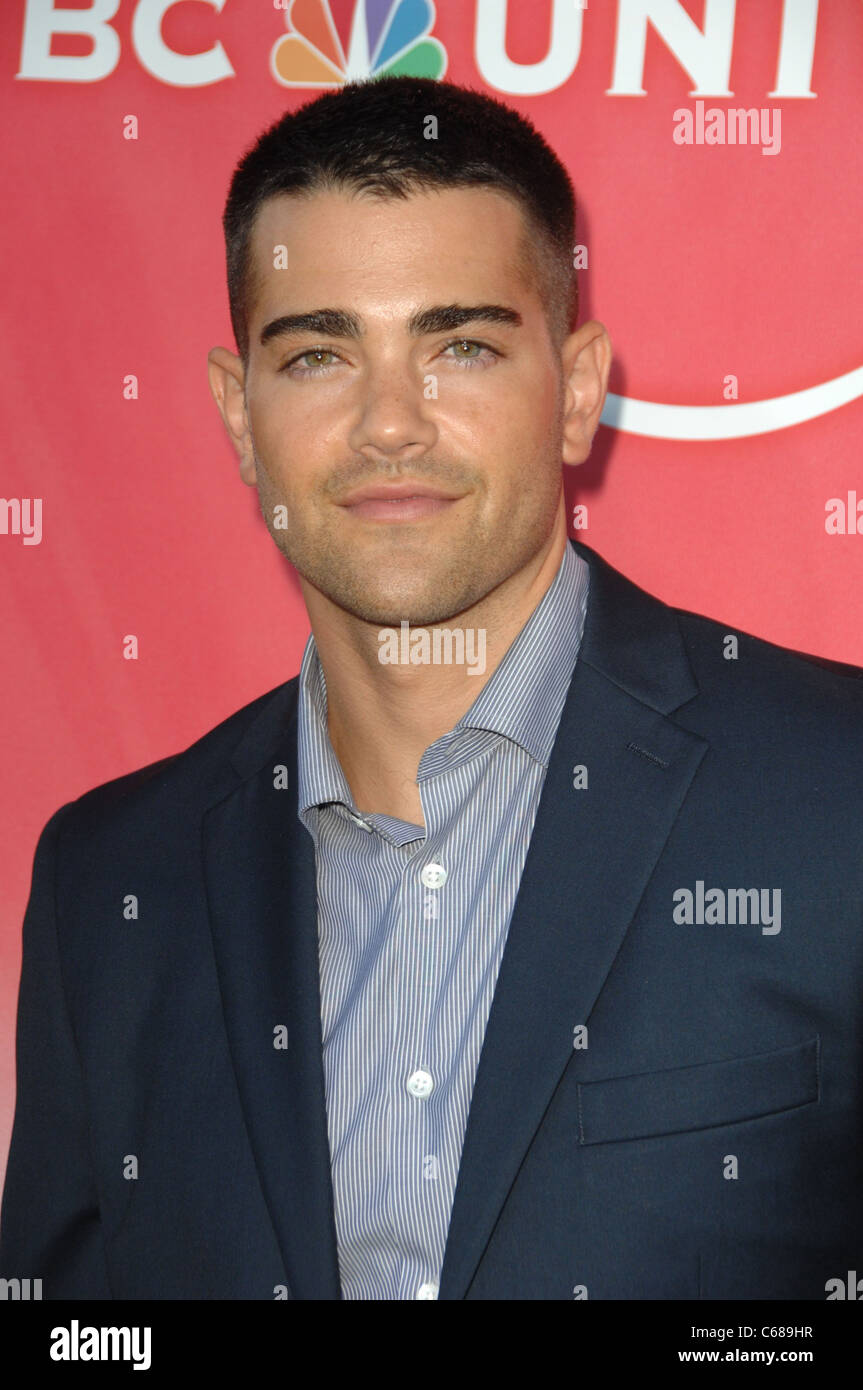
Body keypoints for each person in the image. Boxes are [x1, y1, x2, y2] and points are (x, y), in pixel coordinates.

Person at [1, 75, 862, 1302]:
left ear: (572, 390)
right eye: (317, 353)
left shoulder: (836, 797)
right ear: (240, 415)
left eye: (458, 345)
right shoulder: (108, 883)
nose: (389, 424)